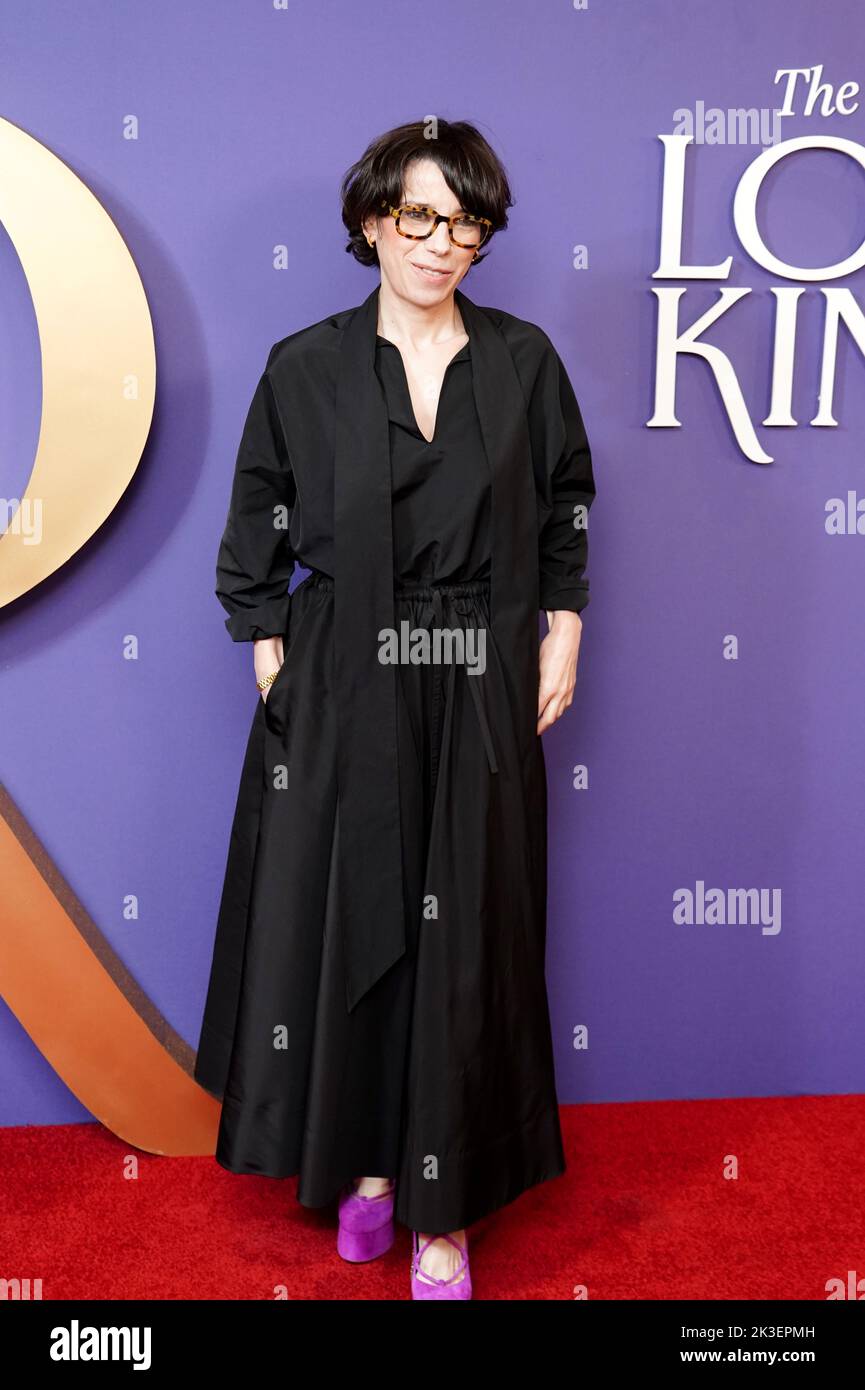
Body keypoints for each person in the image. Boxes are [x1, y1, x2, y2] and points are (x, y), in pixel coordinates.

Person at [194, 118, 596, 1300]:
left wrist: (562, 628)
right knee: (353, 918)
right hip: (343, 670)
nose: (442, 242)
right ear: (372, 219)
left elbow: (566, 500)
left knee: (464, 935)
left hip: (476, 663)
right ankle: (365, 1169)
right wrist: (270, 653)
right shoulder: (303, 364)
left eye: (466, 222)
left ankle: (442, 1211)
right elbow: (256, 514)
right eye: (419, 216)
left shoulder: (523, 362)